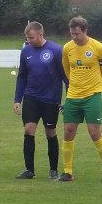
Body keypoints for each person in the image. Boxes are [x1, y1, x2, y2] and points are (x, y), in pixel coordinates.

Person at [59, 16, 102, 183]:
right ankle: (67, 171)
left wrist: (94, 86)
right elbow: (67, 70)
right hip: (73, 96)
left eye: (77, 34)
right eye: (72, 34)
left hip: (92, 96)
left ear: (85, 31)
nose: (74, 37)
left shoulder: (98, 48)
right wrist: (76, 87)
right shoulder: (67, 48)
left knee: (94, 132)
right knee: (68, 131)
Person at [13, 21, 66, 179]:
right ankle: (29, 170)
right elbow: (22, 76)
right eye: (27, 38)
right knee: (28, 130)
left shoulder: (56, 50)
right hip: (31, 97)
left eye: (31, 37)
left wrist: (69, 97)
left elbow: (65, 76)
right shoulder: (26, 51)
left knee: (50, 132)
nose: (28, 41)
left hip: (51, 100)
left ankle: (53, 169)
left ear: (40, 35)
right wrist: (17, 99)